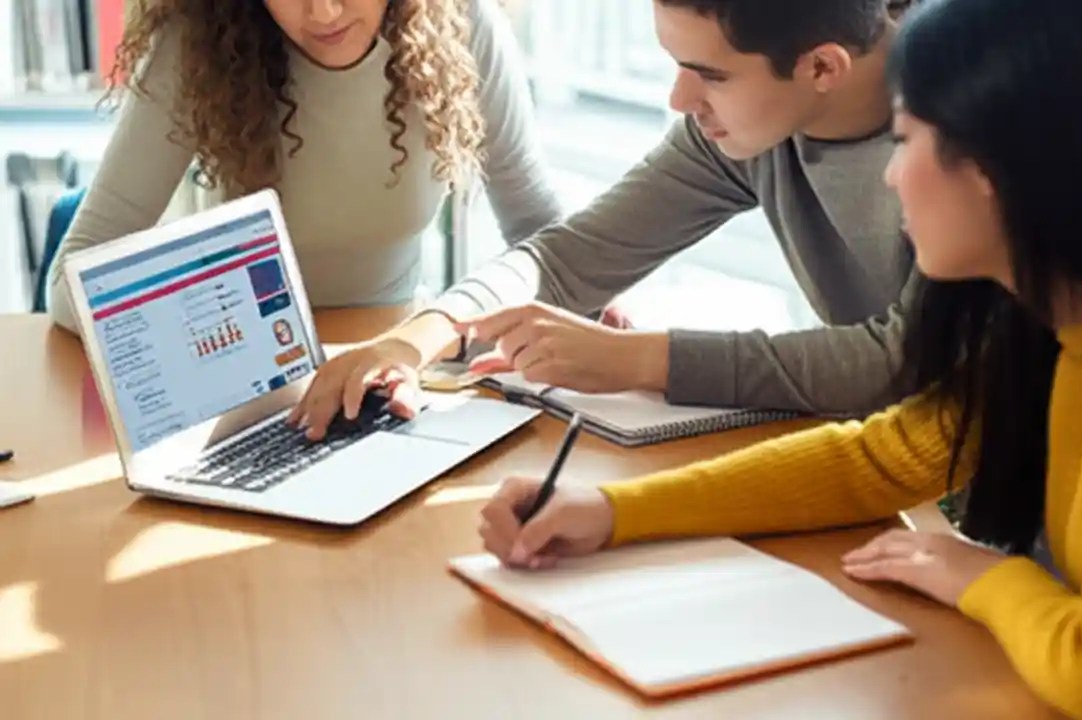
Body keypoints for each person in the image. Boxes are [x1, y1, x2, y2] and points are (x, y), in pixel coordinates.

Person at [476, 0, 1082, 717]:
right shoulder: (1057, 320)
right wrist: (612, 515)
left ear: (996, 170)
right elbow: (881, 458)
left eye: (906, 141)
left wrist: (980, 578)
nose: (889, 178)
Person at [294, 0, 914, 440]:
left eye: (710, 75)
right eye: (676, 64)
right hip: (896, 455)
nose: (680, 100)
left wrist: (637, 359)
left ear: (823, 68)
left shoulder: (964, 132)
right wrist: (415, 340)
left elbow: (901, 360)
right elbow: (568, 257)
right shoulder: (747, 131)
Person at [46, 0, 560, 341]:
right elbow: (74, 275)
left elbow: (542, 232)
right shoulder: (198, 41)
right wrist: (209, 336)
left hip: (395, 362)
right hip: (244, 377)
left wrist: (584, 311)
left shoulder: (460, 21)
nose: (324, 11)